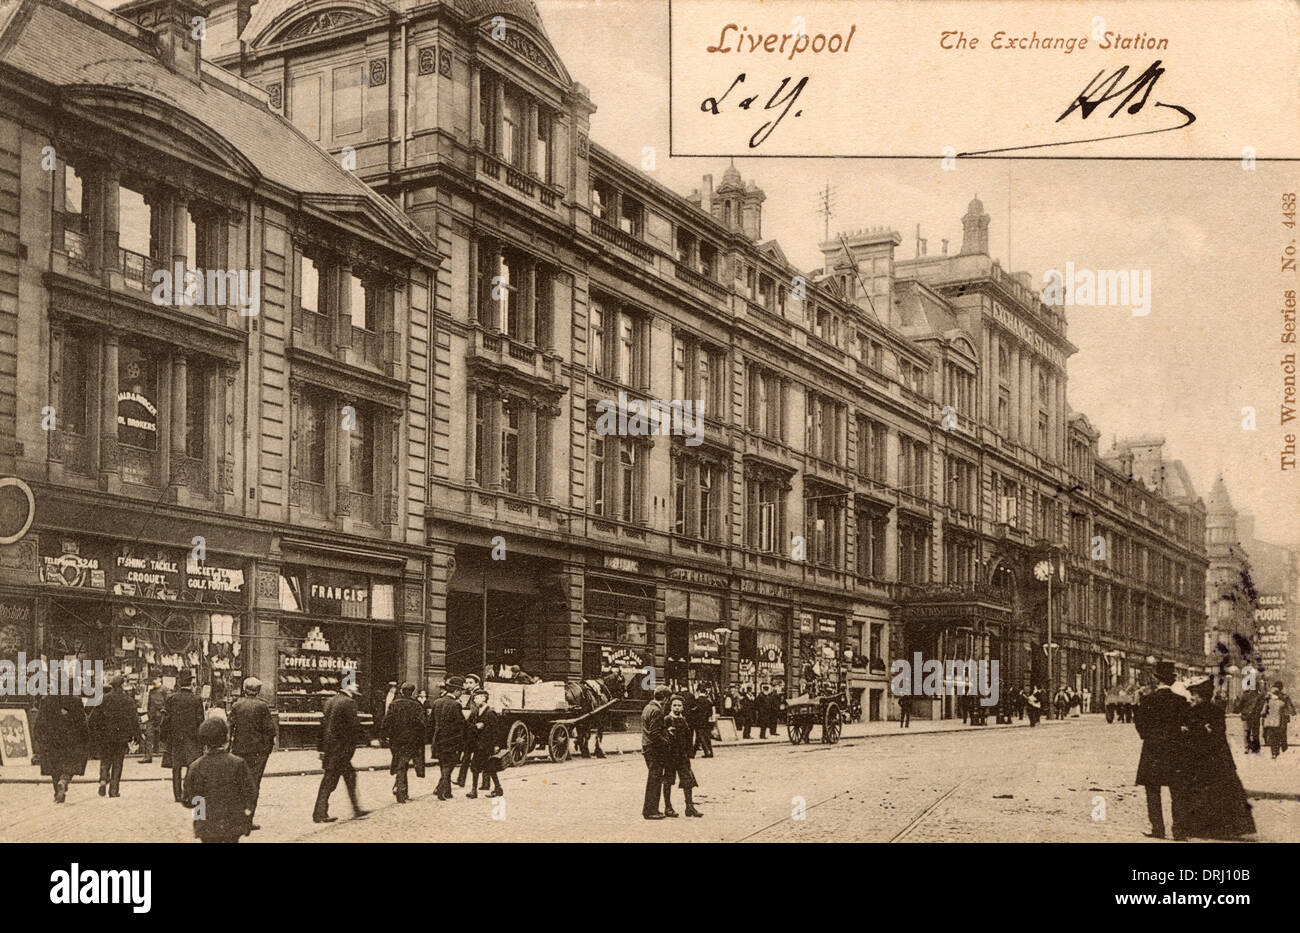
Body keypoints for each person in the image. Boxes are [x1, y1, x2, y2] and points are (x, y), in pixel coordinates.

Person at [1174, 676, 1255, 839]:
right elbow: (1209, 732)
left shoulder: (1201, 711)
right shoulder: (1209, 711)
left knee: (1208, 792)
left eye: (1194, 694)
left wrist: (1194, 731)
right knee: (1217, 792)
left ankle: (1209, 827)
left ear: (1201, 695)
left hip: (1207, 758)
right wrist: (1202, 730)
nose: (1192, 697)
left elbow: (1205, 733)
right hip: (1214, 758)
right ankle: (1219, 827)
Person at [1133, 661, 1188, 840]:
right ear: (1171, 681)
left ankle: (1158, 829)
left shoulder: (1148, 700)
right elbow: (1188, 725)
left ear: (1157, 680)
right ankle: (1179, 831)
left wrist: (1148, 737)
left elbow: (1139, 722)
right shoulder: (1180, 701)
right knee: (1177, 791)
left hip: (1153, 750)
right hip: (1175, 750)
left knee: (1152, 790)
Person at [183, 718, 256, 844]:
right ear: (225, 737)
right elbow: (250, 792)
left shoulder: (195, 766)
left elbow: (188, 799)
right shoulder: (238, 763)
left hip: (206, 825)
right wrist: (244, 811)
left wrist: (200, 810)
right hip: (232, 823)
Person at [312, 682, 370, 823]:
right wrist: (368, 739)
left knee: (344, 777)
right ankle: (320, 813)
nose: (357, 688)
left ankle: (355, 809)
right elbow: (354, 726)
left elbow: (322, 726)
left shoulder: (330, 701)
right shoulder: (349, 703)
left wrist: (320, 749)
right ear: (348, 688)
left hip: (330, 748)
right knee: (330, 781)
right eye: (355, 686)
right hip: (341, 750)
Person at [228, 676, 277, 829]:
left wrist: (230, 746)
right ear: (258, 690)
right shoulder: (262, 706)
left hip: (239, 750)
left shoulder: (236, 705)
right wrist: (268, 748)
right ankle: (247, 820)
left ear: (244, 689)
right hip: (257, 752)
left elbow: (230, 727)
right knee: (253, 784)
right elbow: (270, 730)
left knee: (238, 784)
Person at [88, 673, 141, 798]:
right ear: (122, 685)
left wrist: (96, 733)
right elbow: (134, 719)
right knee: (118, 763)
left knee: (105, 759)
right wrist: (136, 735)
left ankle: (102, 779)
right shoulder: (128, 700)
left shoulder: (103, 699)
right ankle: (114, 790)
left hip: (105, 736)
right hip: (121, 737)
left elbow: (92, 719)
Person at [35, 683, 89, 804]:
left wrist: (40, 738)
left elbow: (39, 722)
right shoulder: (75, 700)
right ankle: (64, 780)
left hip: (52, 740)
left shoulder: (46, 700)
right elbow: (82, 722)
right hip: (71, 740)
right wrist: (85, 738)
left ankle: (57, 792)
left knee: (55, 767)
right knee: (71, 763)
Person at [161, 670, 205, 805]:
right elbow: (200, 720)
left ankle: (177, 794)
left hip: (176, 737)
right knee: (192, 766)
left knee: (176, 767)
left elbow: (166, 720)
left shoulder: (171, 699)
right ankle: (188, 792)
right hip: (192, 737)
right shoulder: (196, 699)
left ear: (179, 682)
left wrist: (164, 737)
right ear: (191, 683)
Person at [381, 681, 427, 803]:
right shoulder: (417, 705)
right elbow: (422, 724)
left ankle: (401, 789)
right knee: (403, 764)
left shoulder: (394, 704)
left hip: (396, 740)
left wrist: (384, 736)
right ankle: (401, 790)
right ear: (412, 692)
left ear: (401, 691)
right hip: (411, 740)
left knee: (401, 763)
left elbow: (386, 721)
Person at [664, 694, 702, 817]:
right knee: (668, 781)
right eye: (674, 705)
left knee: (688, 780)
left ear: (683, 707)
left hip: (682, 756)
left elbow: (688, 738)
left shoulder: (684, 720)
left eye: (679, 706)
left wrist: (689, 752)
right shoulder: (667, 720)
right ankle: (668, 807)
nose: (677, 708)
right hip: (670, 756)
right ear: (670, 706)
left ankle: (689, 807)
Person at [429, 677, 466, 800]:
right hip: (452, 740)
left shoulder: (437, 702)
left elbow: (431, 723)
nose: (461, 693)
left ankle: (448, 791)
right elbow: (461, 724)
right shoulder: (456, 705)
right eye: (460, 691)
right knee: (449, 766)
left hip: (438, 739)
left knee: (442, 764)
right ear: (456, 690)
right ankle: (441, 789)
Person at [465, 689, 503, 798]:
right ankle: (497, 788)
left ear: (484, 698)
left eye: (477, 697)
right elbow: (468, 724)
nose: (475, 700)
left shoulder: (490, 712)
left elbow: (496, 730)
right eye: (474, 698)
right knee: (484, 767)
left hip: (487, 745)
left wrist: (496, 745)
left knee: (478, 766)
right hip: (477, 744)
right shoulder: (476, 712)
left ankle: (475, 791)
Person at [641, 684, 671, 819]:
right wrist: (667, 741)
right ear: (664, 698)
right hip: (654, 749)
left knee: (652, 779)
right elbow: (655, 734)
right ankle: (651, 811)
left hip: (647, 747)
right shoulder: (658, 711)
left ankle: (650, 810)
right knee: (655, 780)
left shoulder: (648, 707)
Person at [1261, 681, 1295, 759]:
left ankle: (1274, 752)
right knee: (1281, 734)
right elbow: (1291, 709)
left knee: (1272, 736)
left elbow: (1263, 709)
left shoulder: (1268, 697)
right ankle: (1282, 746)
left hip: (1270, 720)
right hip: (1282, 720)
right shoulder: (1285, 697)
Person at [140, 677, 168, 763]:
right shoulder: (151, 690)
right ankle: (148, 756)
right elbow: (149, 703)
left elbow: (167, 702)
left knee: (163, 735)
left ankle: (165, 755)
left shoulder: (164, 690)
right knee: (149, 735)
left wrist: (164, 711)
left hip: (160, 716)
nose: (153, 682)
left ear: (159, 679)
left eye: (155, 679)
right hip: (151, 716)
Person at [1239, 685, 1264, 753]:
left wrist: (1244, 711)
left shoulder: (1245, 695)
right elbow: (1261, 706)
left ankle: (1247, 747)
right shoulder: (1260, 696)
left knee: (1246, 732)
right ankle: (1255, 748)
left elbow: (1239, 705)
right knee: (1255, 732)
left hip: (1245, 716)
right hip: (1255, 716)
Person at [690, 686, 714, 758]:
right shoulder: (708, 701)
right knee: (705, 737)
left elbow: (693, 711)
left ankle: (707, 752)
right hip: (706, 722)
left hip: (698, 722)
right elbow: (710, 713)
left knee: (700, 737)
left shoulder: (697, 701)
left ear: (699, 692)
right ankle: (709, 752)